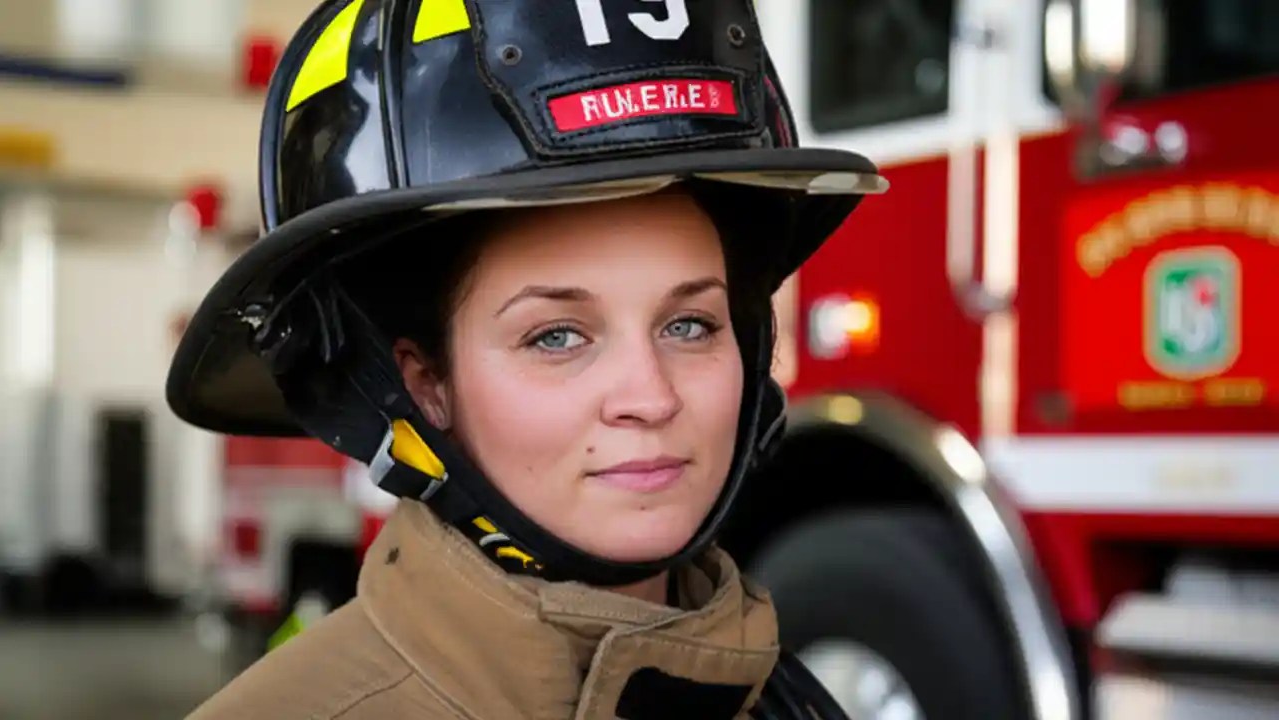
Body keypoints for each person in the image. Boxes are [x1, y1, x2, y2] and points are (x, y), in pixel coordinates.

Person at [167, 1, 886, 718]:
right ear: (427, 386)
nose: (650, 396)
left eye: (690, 325)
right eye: (557, 337)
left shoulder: (795, 704)